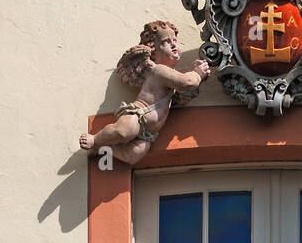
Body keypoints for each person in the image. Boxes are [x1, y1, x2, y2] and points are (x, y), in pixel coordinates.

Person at [79, 20, 210, 165]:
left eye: (175, 41)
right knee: (124, 131)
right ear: (154, 50)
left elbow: (181, 91)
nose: (173, 45)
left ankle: (102, 147)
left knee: (132, 156)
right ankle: (95, 139)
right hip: (138, 116)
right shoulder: (159, 70)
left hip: (148, 134)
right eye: (166, 42)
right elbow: (187, 83)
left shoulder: (170, 76)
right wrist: (197, 73)